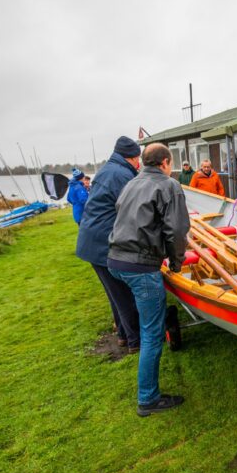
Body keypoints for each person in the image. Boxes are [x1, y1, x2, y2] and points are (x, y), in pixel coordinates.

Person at [107, 143, 190, 417]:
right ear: (165, 162)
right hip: (140, 267)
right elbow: (177, 230)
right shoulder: (168, 185)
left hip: (115, 260)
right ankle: (148, 399)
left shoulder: (132, 183)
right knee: (152, 333)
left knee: (147, 324)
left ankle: (147, 392)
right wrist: (176, 262)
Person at [76, 136, 141, 351]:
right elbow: (133, 213)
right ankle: (135, 342)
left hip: (92, 240)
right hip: (104, 243)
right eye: (137, 159)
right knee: (124, 293)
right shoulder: (122, 175)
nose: (139, 164)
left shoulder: (108, 169)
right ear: (130, 158)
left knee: (114, 294)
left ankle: (123, 335)